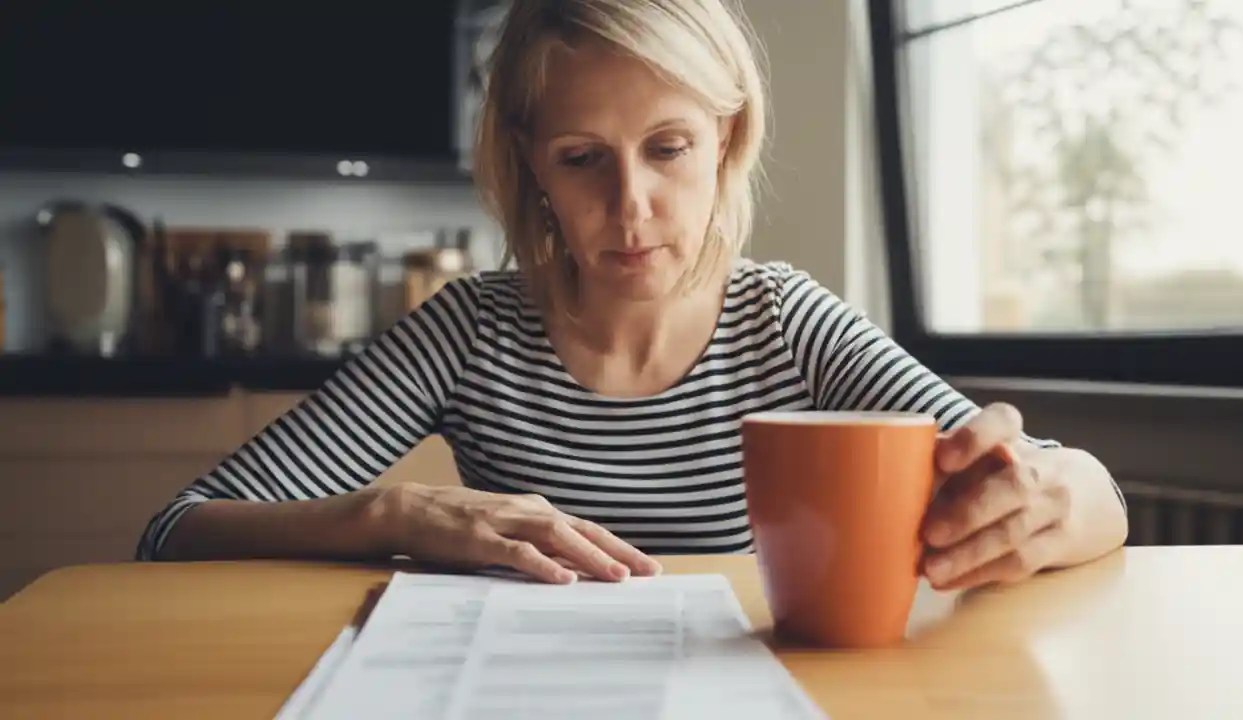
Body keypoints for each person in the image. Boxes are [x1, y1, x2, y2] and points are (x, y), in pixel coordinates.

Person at [136, 0, 1128, 591]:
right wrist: (389, 516)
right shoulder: (468, 333)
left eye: (667, 149)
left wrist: (1051, 495)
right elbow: (174, 529)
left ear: (724, 144)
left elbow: (1079, 494)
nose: (629, 206)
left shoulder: (783, 322)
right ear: (528, 166)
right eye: (580, 160)